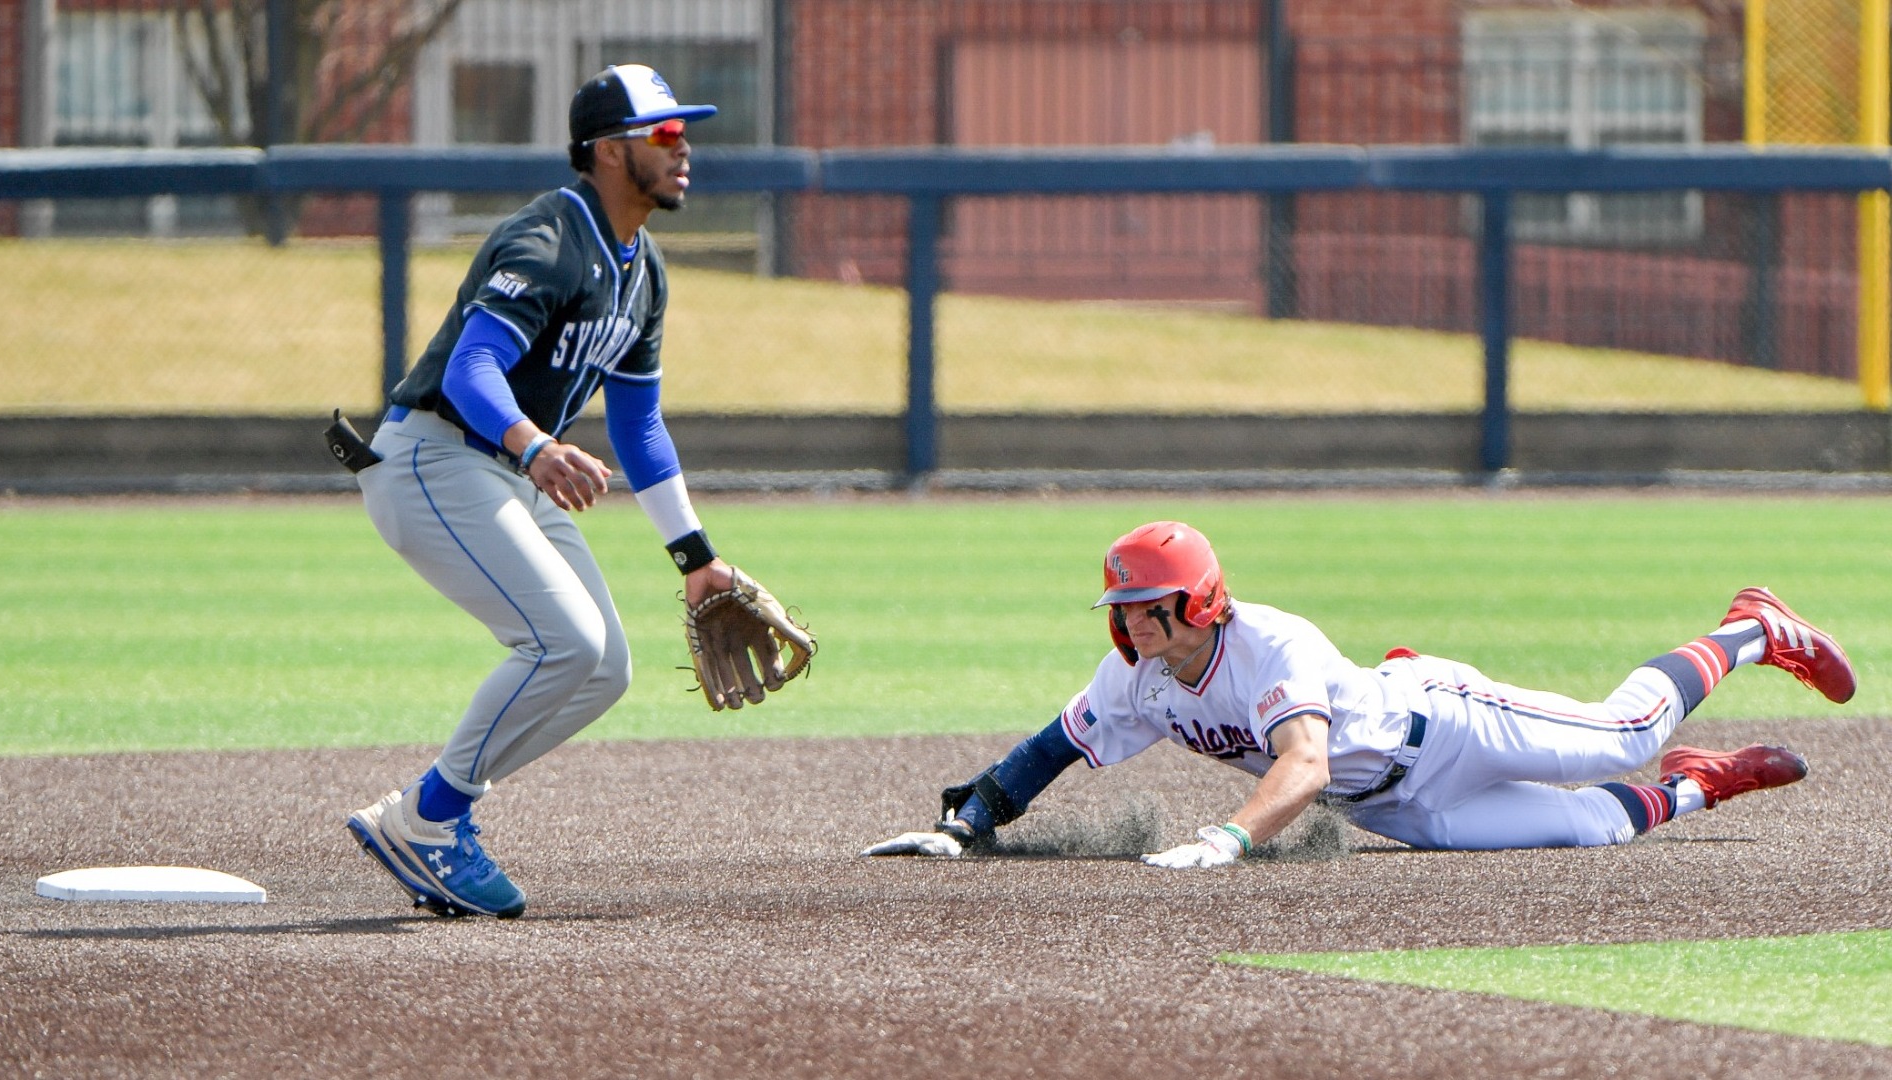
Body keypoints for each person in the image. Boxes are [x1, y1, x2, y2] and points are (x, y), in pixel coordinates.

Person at [862, 521, 1856, 865]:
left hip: (1444, 728)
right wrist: (971, 820)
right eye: (1120, 610)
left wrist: (1228, 839)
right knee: (1595, 828)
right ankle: (1701, 787)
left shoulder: (1270, 644)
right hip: (1391, 804)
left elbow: (1302, 766)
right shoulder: (1135, 674)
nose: (1126, 626)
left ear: (1200, 602)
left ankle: (1749, 628)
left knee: (1621, 729)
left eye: (1145, 607)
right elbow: (1054, 747)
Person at [344, 65, 738, 918]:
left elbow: (639, 429)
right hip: (434, 458)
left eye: (684, 132)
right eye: (663, 134)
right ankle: (432, 822)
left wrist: (696, 560)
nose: (684, 149)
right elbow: (470, 365)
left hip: (501, 469)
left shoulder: (645, 271)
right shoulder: (553, 236)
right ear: (606, 149)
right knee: (561, 641)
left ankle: (427, 817)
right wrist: (537, 446)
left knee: (603, 668)